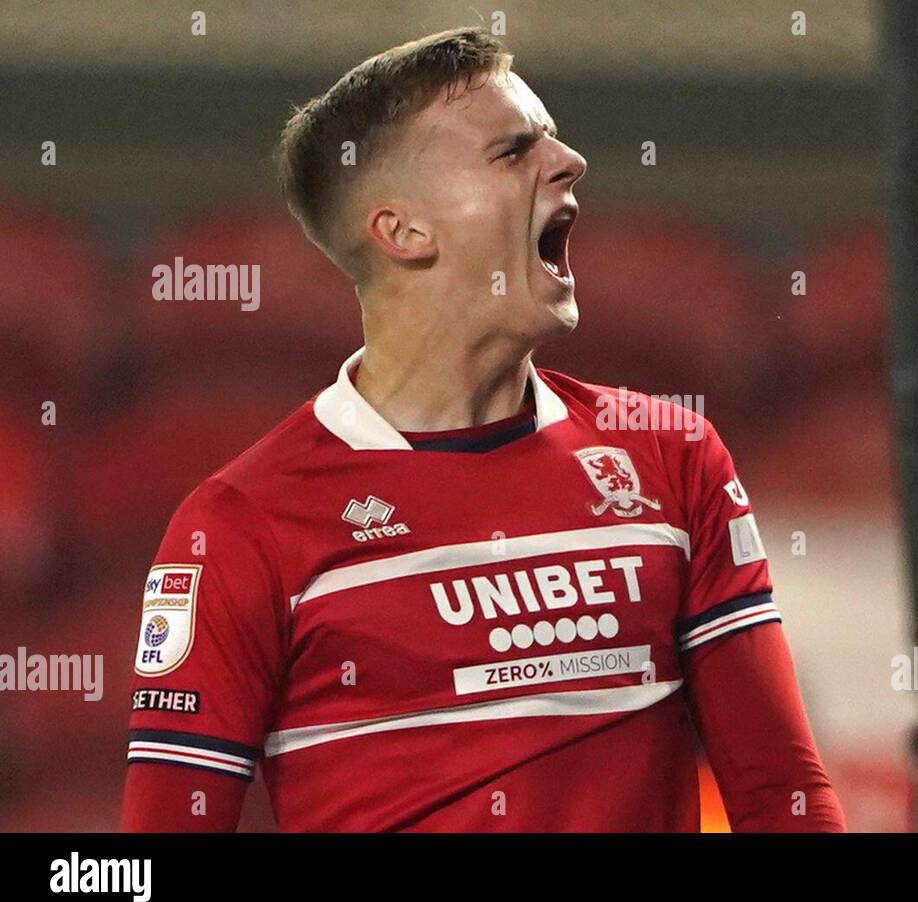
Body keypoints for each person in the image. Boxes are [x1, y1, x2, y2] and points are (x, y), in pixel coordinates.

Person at [121, 27, 844, 832]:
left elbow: (783, 792)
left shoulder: (671, 459)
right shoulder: (240, 527)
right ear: (404, 233)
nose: (570, 162)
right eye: (513, 152)